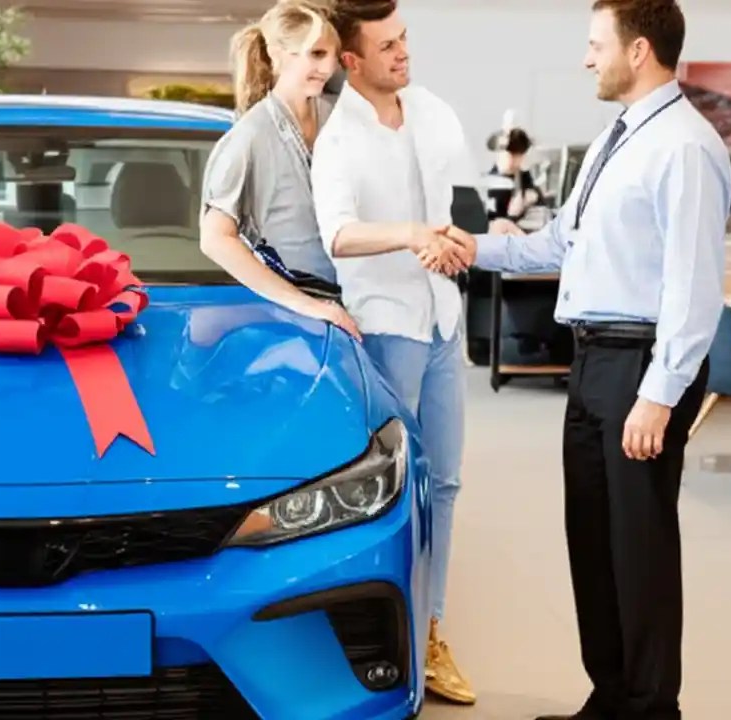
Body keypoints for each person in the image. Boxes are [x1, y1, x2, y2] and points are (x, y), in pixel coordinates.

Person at [438, 2, 731, 718]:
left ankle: (652, 707)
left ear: (638, 50)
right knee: (594, 539)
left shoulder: (685, 147)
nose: (586, 58)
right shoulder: (617, 139)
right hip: (595, 360)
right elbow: (559, 244)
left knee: (640, 548)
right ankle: (612, 696)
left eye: (596, 45)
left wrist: (659, 396)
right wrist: (472, 247)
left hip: (641, 365)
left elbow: (693, 289)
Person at [311, 0, 479, 705]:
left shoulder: (437, 112)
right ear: (352, 60)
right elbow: (338, 234)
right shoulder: (337, 138)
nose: (403, 53)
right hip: (386, 326)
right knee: (391, 492)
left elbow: (468, 203)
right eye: (387, 45)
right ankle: (393, 635)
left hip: (444, 320)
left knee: (444, 484)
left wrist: (462, 241)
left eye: (404, 38)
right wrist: (414, 233)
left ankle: (433, 629)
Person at [199, 0, 360, 339]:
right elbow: (215, 239)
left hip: (362, 303)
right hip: (304, 316)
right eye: (316, 54)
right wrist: (308, 305)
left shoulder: (340, 118)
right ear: (277, 54)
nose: (329, 66)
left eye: (333, 55)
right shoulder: (250, 137)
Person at [486, 127, 545, 223]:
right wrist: (513, 215)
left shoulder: (524, 177)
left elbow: (541, 205)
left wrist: (532, 199)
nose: (516, 161)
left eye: (520, 155)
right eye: (511, 154)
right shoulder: (490, 184)